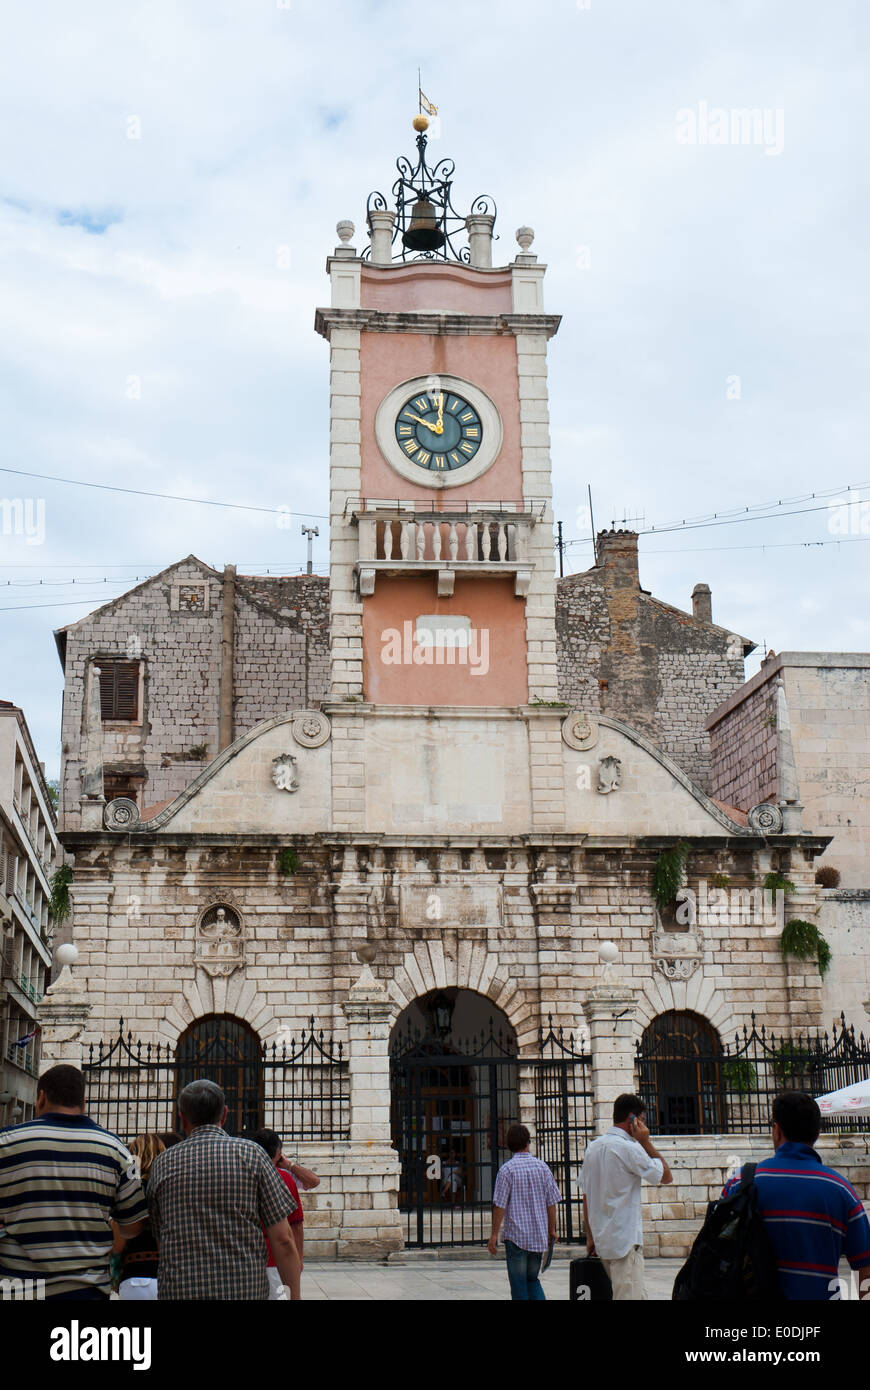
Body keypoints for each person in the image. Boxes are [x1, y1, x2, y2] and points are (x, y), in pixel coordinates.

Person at [0, 1064, 148, 1300]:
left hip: (19, 1291)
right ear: (84, 1101)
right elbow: (133, 1226)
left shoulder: (6, 1144)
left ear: (41, 1097)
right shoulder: (116, 1150)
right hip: (85, 1291)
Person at [147, 1079, 302, 1300]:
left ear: (182, 1118)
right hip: (244, 1291)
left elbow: (162, 1239)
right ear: (225, 1114)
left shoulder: (162, 1163)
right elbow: (283, 1239)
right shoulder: (253, 1155)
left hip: (182, 1290)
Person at [721, 1091, 870, 1301]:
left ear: (776, 1130)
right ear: (817, 1134)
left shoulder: (740, 1183)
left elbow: (716, 1249)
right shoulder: (840, 1189)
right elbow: (865, 1266)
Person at [580, 1093, 673, 1300]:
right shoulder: (630, 1149)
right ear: (633, 1119)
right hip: (624, 1242)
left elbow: (587, 1195)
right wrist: (645, 1142)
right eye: (642, 1119)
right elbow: (666, 1176)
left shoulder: (592, 1148)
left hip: (603, 1241)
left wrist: (590, 1236)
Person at [487, 1123, 562, 1300]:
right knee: (532, 1279)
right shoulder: (543, 1167)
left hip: (516, 1236)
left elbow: (499, 1205)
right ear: (528, 1143)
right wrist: (551, 1229)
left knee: (519, 1283)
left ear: (509, 1145)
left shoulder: (506, 1170)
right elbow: (552, 1203)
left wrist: (494, 1234)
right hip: (538, 1235)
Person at [251, 1129, 318, 1298]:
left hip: (248, 1258)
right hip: (277, 1261)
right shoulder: (284, 1179)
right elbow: (296, 1226)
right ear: (278, 1152)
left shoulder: (242, 1176)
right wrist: (298, 1260)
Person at [115, 1133, 165, 1301]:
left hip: (135, 1278)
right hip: (167, 1277)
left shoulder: (130, 1191)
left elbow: (117, 1245)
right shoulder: (167, 1188)